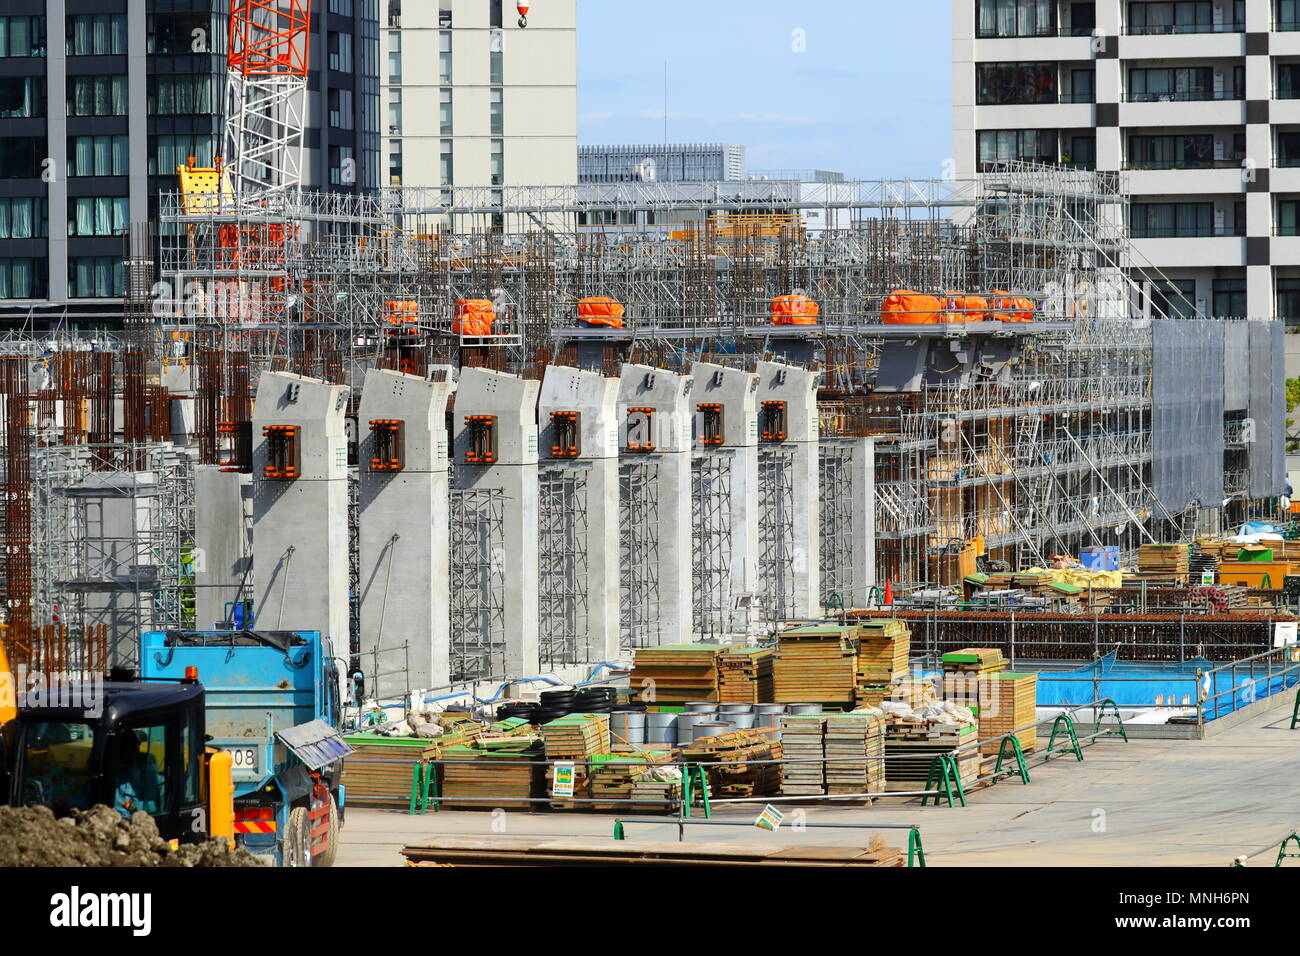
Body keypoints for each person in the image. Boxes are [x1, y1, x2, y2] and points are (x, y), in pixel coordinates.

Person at [112, 731, 162, 818]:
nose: (124, 755)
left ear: (137, 749)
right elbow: (118, 801)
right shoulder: (119, 775)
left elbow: (152, 806)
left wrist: (130, 806)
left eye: (129, 749)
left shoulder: (149, 773)